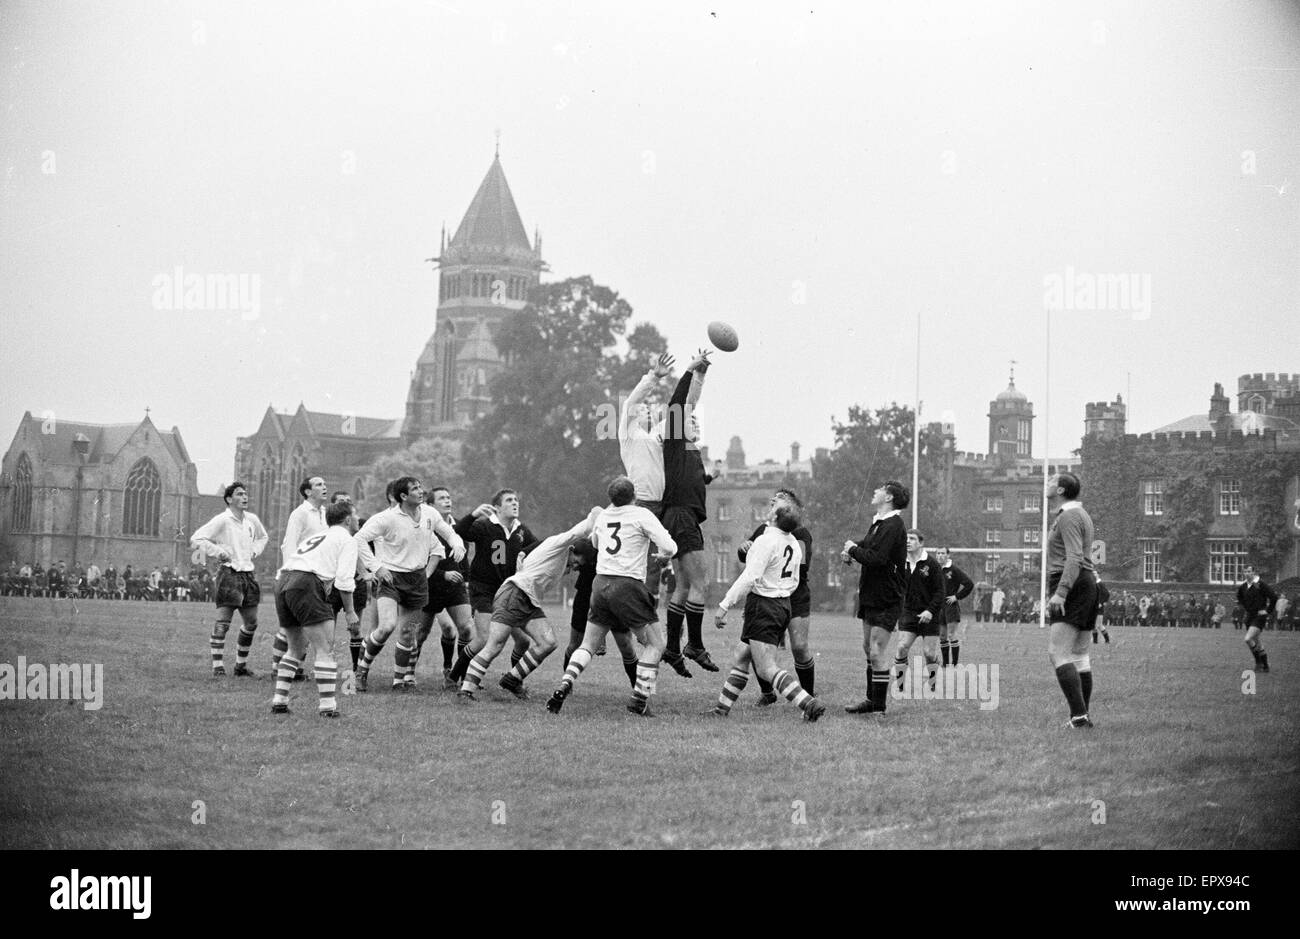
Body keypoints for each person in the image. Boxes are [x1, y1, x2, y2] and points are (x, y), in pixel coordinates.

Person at [546, 476, 677, 716]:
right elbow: (669, 546)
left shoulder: (604, 516)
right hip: (628, 584)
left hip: (600, 584)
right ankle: (640, 698)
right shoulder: (642, 515)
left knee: (588, 644)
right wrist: (663, 556)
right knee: (655, 644)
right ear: (634, 495)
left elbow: (594, 541)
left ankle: (566, 682)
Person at [458, 507, 604, 703]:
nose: (575, 568)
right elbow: (586, 523)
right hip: (514, 593)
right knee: (495, 644)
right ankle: (466, 691)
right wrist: (605, 515)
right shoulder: (560, 544)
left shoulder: (561, 558)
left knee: (548, 643)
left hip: (528, 599)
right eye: (576, 562)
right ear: (571, 550)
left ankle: (512, 679)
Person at [707, 494, 825, 722]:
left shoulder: (765, 541)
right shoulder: (793, 544)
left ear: (774, 517)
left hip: (763, 606)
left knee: (766, 668)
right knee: (741, 655)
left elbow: (749, 577)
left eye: (775, 507)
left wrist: (724, 604)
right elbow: (793, 582)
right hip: (783, 604)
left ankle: (808, 702)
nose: (770, 507)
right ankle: (721, 710)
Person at [354, 476, 465, 693]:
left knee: (407, 633)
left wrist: (457, 544)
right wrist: (377, 568)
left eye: (420, 487)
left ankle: (399, 682)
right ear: (403, 496)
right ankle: (361, 671)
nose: (421, 491)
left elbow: (447, 531)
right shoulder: (387, 518)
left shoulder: (429, 514)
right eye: (415, 489)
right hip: (391, 578)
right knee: (385, 627)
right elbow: (359, 539)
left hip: (416, 580)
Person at [270, 500, 360, 718]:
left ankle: (279, 701)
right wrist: (350, 612)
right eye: (356, 515)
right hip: (306, 582)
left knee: (295, 647)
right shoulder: (347, 539)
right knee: (324, 648)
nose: (358, 519)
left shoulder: (317, 536)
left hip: (283, 581)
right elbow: (345, 580)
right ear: (348, 519)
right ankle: (328, 707)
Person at [659, 349, 719, 675]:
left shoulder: (691, 453)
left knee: (683, 586)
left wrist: (702, 375)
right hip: (681, 517)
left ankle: (671, 647)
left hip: (680, 518)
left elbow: (690, 405)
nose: (692, 420)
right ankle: (693, 644)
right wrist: (688, 372)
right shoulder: (675, 441)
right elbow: (679, 408)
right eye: (689, 420)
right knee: (702, 582)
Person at [446, 489, 540, 686]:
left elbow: (538, 546)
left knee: (523, 641)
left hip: (508, 592)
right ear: (497, 507)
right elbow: (460, 532)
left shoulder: (521, 530)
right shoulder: (484, 526)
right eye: (509, 500)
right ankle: (453, 677)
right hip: (484, 590)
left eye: (516, 500)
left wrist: (524, 553)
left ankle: (515, 681)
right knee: (484, 638)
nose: (515, 503)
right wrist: (473, 514)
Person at [738, 488, 815, 705]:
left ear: (790, 507)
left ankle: (808, 694)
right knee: (756, 648)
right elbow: (746, 557)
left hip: (795, 596)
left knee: (799, 647)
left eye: (779, 498)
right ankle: (767, 693)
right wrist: (745, 548)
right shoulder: (764, 529)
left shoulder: (800, 533)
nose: (773, 500)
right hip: (766, 597)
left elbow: (802, 564)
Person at [840, 481, 910, 714]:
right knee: (868, 648)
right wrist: (852, 549)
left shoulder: (894, 524)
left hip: (887, 597)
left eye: (879, 489)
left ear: (888, 497)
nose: (874, 491)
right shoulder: (879, 523)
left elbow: (878, 558)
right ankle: (871, 700)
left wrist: (853, 550)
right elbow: (867, 546)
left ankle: (878, 707)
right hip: (871, 595)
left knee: (877, 650)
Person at [190, 482, 270, 677]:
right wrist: (218, 552)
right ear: (229, 499)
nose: (245, 497)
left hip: (248, 575)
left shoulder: (251, 520)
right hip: (229, 574)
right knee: (223, 622)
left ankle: (240, 666)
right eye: (239, 494)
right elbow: (196, 539)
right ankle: (218, 666)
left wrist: (254, 550)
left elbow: (263, 537)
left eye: (245, 494)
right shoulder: (223, 520)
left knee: (251, 623)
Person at [1044, 472, 1099, 729]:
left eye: (1051, 481)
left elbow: (1074, 557)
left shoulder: (1068, 516)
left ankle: (1079, 717)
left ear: (1062, 490)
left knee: (1058, 652)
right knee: (1079, 654)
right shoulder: (1079, 514)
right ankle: (1081, 716)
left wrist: (1061, 591)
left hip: (1073, 583)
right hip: (1085, 582)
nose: (1047, 484)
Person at [413, 486, 474, 689]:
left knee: (466, 629)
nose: (448, 501)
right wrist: (443, 574)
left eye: (449, 497)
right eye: (442, 498)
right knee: (420, 633)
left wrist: (465, 579)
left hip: (454, 588)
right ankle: (407, 674)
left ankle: (457, 674)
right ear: (430, 505)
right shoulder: (423, 527)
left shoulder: (458, 528)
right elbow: (418, 562)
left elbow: (463, 560)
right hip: (429, 586)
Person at [270, 475, 329, 678]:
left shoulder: (323, 513)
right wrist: (292, 572)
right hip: (297, 575)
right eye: (319, 484)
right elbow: (289, 544)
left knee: (299, 628)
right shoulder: (300, 513)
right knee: (294, 629)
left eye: (324, 484)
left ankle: (289, 670)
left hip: (314, 576)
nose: (324, 487)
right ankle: (279, 669)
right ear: (307, 491)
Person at [890, 530, 947, 694]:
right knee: (901, 648)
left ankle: (933, 682)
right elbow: (896, 590)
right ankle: (900, 685)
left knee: (929, 654)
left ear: (921, 543)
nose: (908, 541)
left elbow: (940, 593)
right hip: (907, 613)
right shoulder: (901, 564)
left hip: (930, 616)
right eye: (906, 539)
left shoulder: (932, 565)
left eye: (912, 539)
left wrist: (930, 611)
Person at [935, 546, 974, 667]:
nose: (940, 555)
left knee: (951, 635)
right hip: (939, 607)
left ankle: (955, 663)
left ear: (948, 555)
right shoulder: (935, 570)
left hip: (951, 607)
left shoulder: (954, 570)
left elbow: (969, 584)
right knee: (942, 636)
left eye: (943, 553)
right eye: (938, 553)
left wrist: (956, 597)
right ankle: (945, 663)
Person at [1238, 566, 1276, 673]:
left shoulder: (1260, 584)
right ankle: (1265, 665)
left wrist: (1267, 611)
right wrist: (1247, 607)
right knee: (1256, 641)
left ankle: (1258, 662)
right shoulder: (1243, 586)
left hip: (1259, 617)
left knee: (1248, 639)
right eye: (1245, 571)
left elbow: (1273, 597)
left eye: (1249, 571)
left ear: (1254, 572)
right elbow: (1240, 598)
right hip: (1250, 617)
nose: (1247, 573)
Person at [1092, 576, 1112, 644]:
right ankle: (1095, 641)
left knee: (1099, 625)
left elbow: (1107, 594)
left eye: (1095, 573)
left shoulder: (1100, 584)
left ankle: (1107, 640)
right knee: (1093, 625)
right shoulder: (1092, 583)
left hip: (1099, 608)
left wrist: (1101, 602)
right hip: (1093, 607)